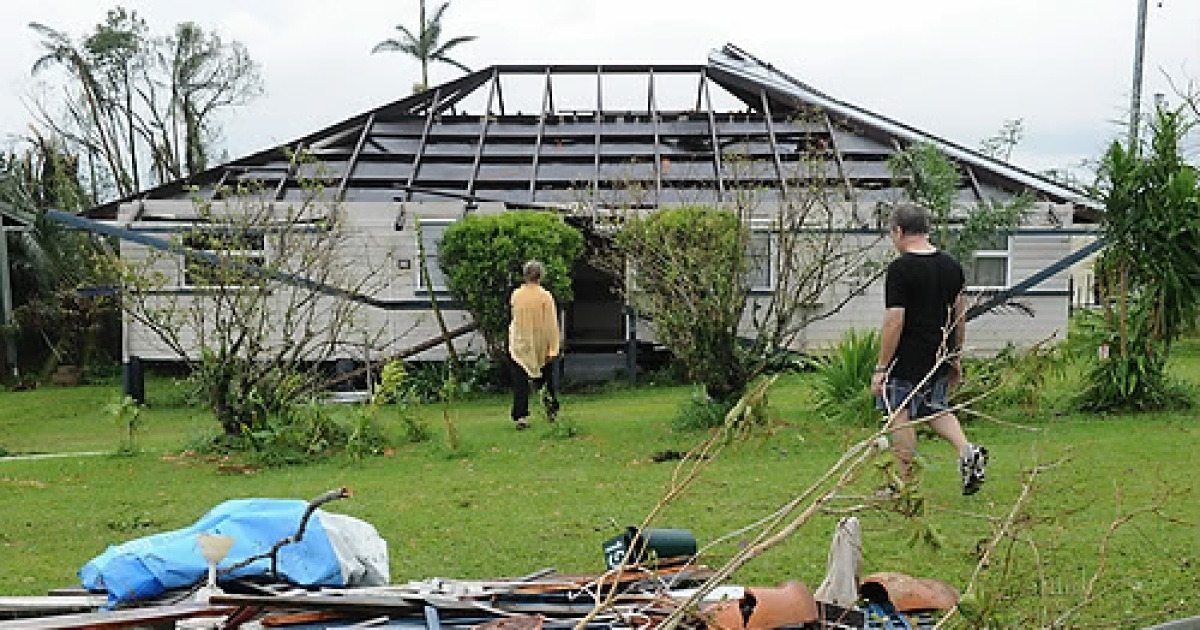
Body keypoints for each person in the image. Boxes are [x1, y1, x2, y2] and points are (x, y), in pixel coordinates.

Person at [870, 203, 988, 495]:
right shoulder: (951, 266)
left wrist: (882, 368)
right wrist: (954, 355)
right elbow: (959, 315)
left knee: (899, 414)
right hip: (939, 353)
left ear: (899, 231)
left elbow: (895, 320)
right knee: (936, 409)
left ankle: (904, 485)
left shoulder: (900, 269)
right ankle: (967, 451)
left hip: (906, 356)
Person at [508, 260, 561, 430]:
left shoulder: (516, 295)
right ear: (540, 276)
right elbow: (551, 323)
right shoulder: (545, 296)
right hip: (540, 343)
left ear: (525, 276)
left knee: (520, 382)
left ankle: (521, 416)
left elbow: (514, 318)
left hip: (520, 343)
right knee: (545, 380)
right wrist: (553, 348)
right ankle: (551, 411)